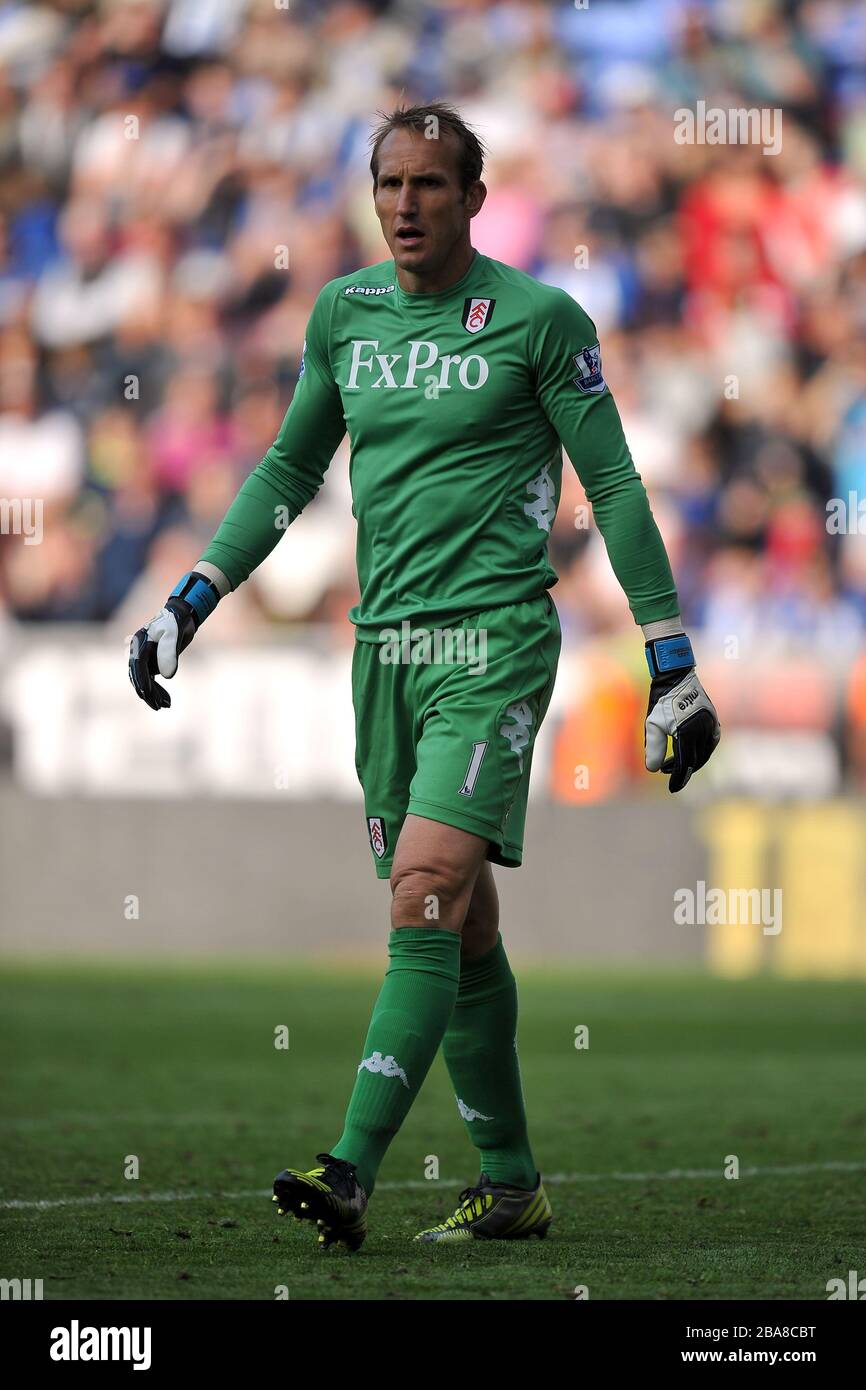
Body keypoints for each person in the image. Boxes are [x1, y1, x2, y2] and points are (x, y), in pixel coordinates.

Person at [129, 102, 720, 1249]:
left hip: (491, 642)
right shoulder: (341, 315)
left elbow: (616, 487)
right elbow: (287, 469)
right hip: (383, 653)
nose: (406, 205)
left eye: (431, 186)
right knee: (462, 929)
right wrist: (188, 599)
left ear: (474, 200)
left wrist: (671, 662)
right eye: (389, 184)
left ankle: (349, 1166)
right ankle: (510, 1185)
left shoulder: (540, 321)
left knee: (422, 895)